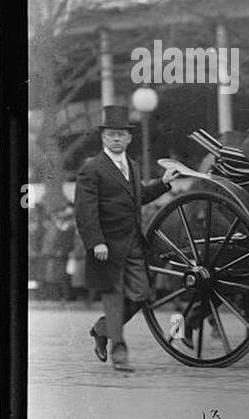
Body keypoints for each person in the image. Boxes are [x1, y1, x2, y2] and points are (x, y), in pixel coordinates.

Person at [75, 105, 181, 372]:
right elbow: (84, 210)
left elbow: (139, 198)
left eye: (121, 134)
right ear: (103, 137)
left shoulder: (132, 166)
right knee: (113, 297)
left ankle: (102, 330)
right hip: (106, 246)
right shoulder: (92, 168)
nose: (116, 139)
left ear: (129, 138)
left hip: (133, 243)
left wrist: (164, 183)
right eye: (111, 134)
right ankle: (119, 353)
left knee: (141, 294)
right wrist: (95, 241)